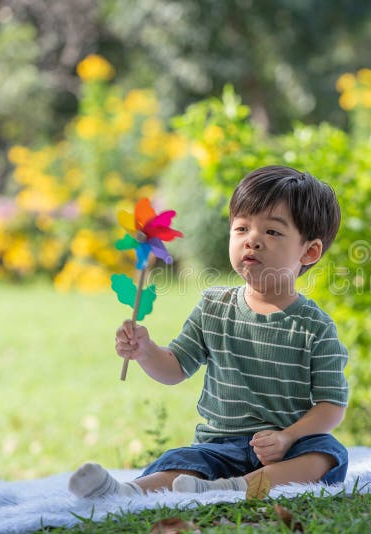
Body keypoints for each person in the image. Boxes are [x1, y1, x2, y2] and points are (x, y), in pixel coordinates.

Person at [68, 165, 349, 498]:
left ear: (309, 251)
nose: (252, 240)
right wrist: (146, 351)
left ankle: (234, 487)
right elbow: (174, 368)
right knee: (181, 461)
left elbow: (331, 405)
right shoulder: (213, 307)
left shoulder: (315, 326)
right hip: (219, 447)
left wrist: (288, 437)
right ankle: (125, 492)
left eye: (272, 232)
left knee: (327, 455)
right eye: (242, 228)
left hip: (284, 448)